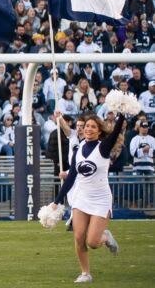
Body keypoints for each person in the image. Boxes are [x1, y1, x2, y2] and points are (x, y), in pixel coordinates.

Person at [50, 114, 126, 283]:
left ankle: (105, 237)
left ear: (99, 131)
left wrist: (122, 114)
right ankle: (85, 273)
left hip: (100, 198)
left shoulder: (103, 147)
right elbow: (70, 179)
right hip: (82, 197)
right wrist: (56, 201)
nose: (89, 129)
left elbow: (114, 134)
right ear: (83, 129)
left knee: (92, 241)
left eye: (93, 127)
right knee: (78, 238)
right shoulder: (78, 149)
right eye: (87, 126)